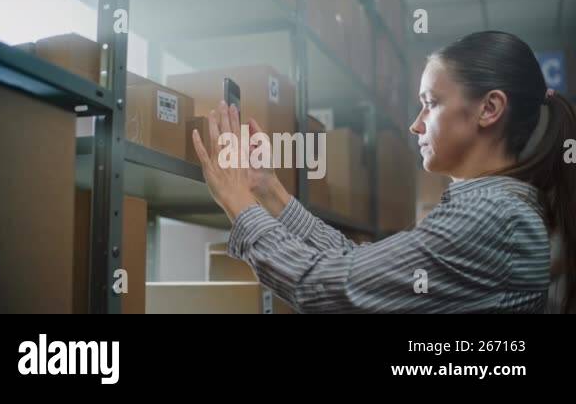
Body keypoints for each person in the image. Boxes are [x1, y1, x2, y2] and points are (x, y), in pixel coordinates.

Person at [192, 31, 576, 314]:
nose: (416, 124)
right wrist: (268, 190)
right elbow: (360, 268)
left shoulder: (491, 215)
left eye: (431, 104)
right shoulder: (500, 210)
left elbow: (330, 288)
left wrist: (240, 205)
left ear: (489, 109)